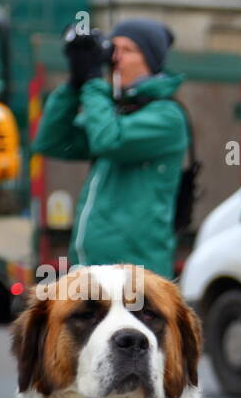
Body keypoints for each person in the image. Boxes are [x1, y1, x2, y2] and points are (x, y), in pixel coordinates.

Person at [31, 19, 188, 279]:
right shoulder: (115, 111)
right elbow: (52, 141)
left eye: (127, 50)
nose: (116, 58)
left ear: (151, 59)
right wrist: (74, 83)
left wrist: (93, 81)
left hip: (136, 273)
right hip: (90, 267)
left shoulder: (168, 116)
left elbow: (108, 139)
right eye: (112, 49)